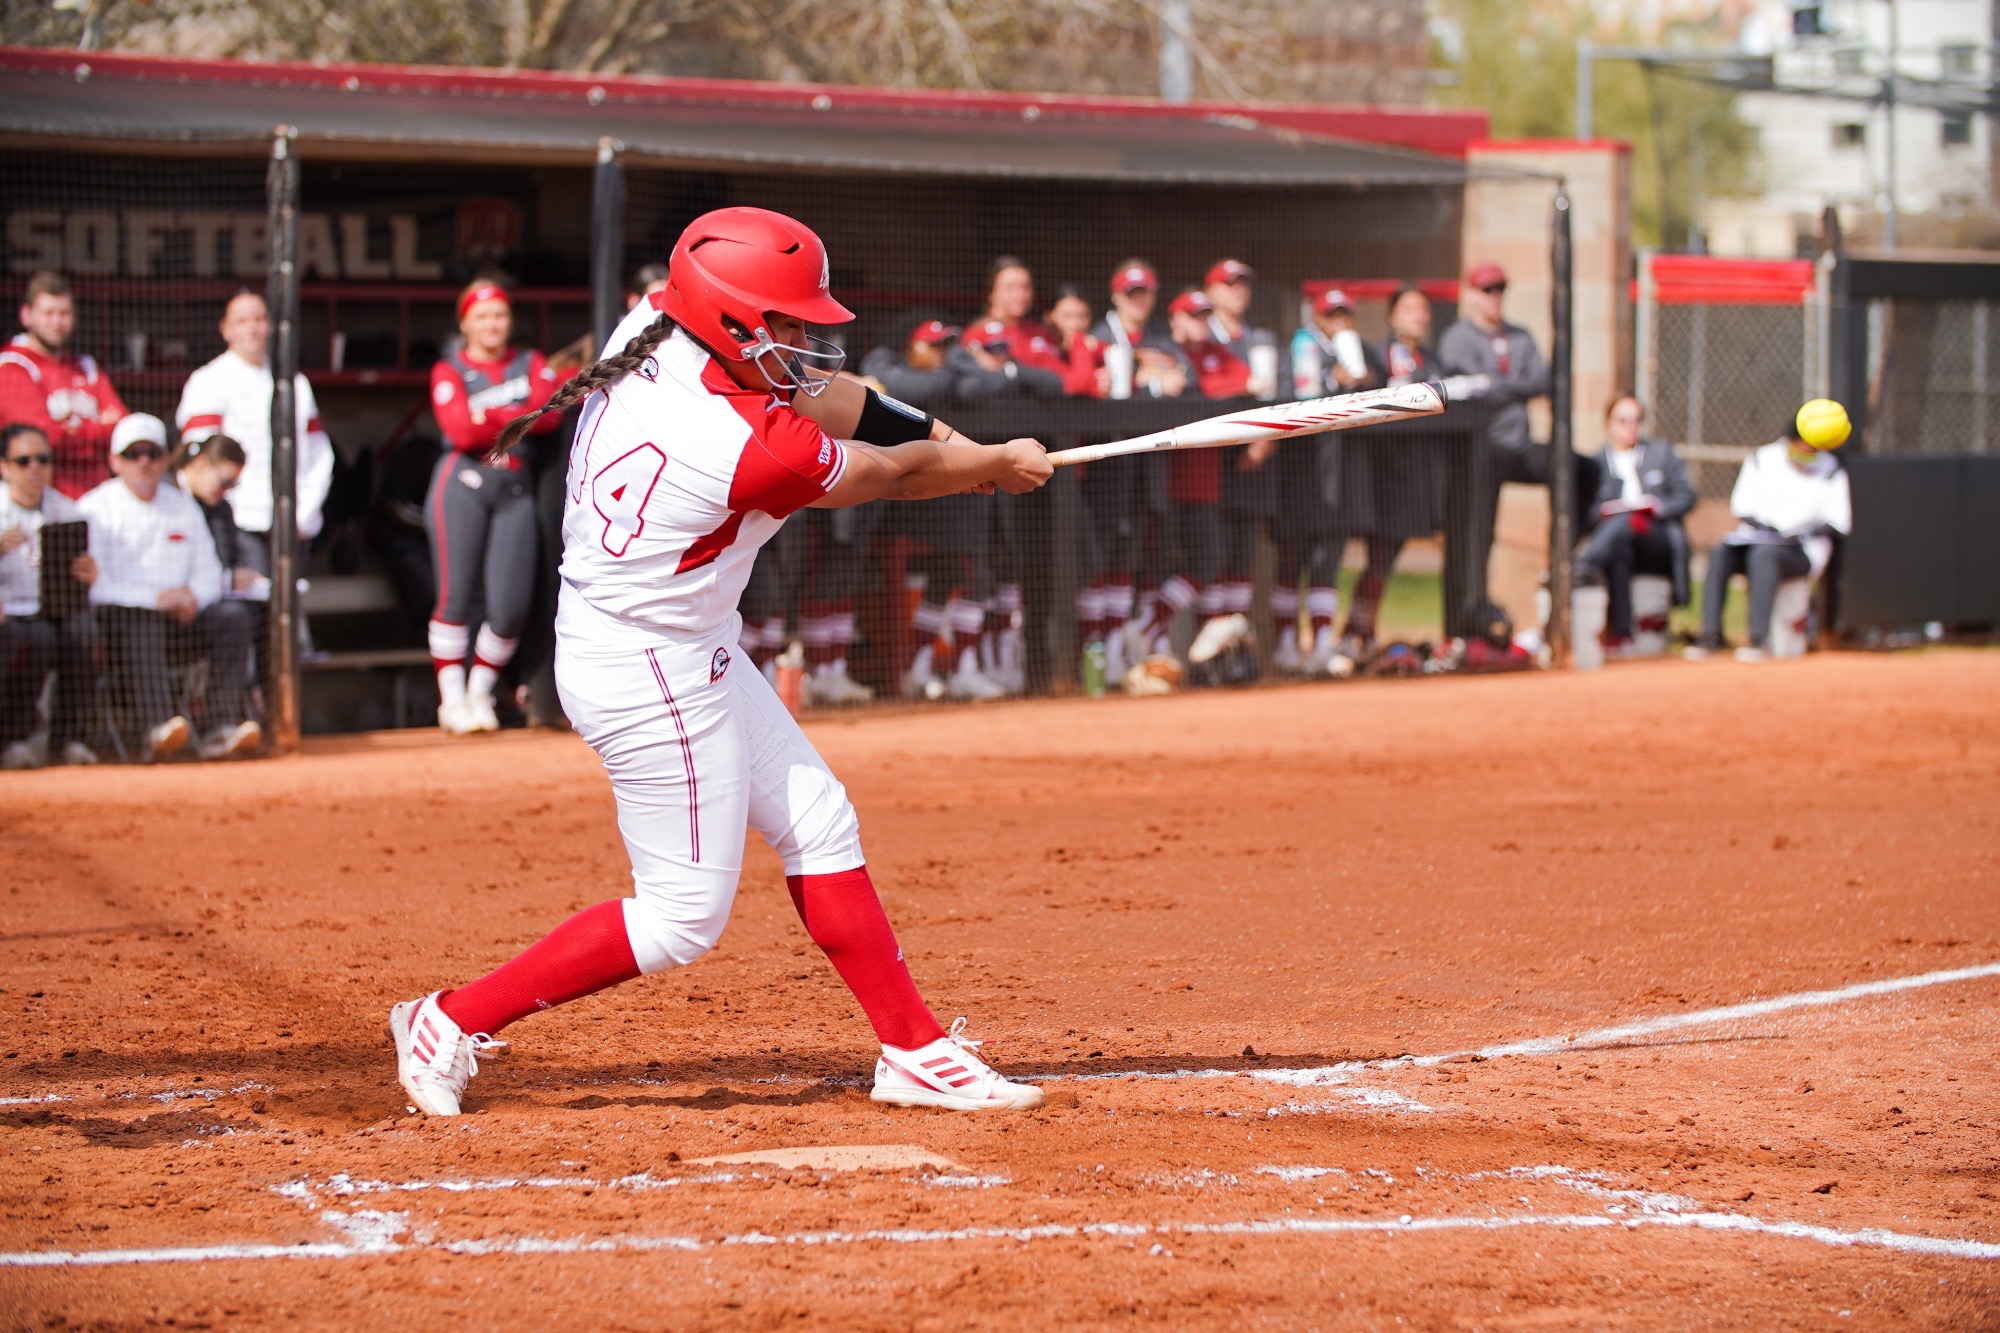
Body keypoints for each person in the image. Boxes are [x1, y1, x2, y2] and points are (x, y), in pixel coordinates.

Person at [389, 206, 1052, 1117]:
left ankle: (914, 1050)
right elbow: (884, 470)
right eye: (786, 321)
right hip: (647, 662)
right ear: (734, 318)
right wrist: (991, 460)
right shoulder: (747, 446)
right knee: (680, 918)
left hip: (653, 633)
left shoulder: (656, 322)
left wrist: (965, 448)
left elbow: (837, 395)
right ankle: (447, 1019)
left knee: (819, 820)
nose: (803, 338)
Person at [426, 279, 569, 735]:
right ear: (465, 321)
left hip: (514, 491)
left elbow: (550, 414)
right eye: (482, 316)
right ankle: (451, 700)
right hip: (462, 485)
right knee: (456, 596)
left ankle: (479, 692)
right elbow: (461, 434)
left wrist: (488, 417)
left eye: (500, 315)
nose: (492, 324)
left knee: (509, 606)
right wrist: (522, 413)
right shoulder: (449, 369)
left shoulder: (529, 361)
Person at [78, 414, 260, 762]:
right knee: (140, 619)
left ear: (165, 459)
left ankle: (218, 727)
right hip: (122, 634)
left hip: (182, 624)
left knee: (232, 616)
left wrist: (193, 595)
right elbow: (95, 587)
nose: (143, 462)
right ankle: (157, 727)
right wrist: (155, 600)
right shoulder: (94, 508)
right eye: (133, 454)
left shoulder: (181, 505)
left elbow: (209, 570)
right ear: (114, 461)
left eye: (152, 453)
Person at [1126, 290, 1253, 672]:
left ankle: (1149, 627)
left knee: (1207, 562)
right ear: (1175, 319)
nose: (1200, 323)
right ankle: (1148, 636)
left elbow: (1245, 380)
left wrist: (1211, 388)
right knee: (1161, 563)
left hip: (1205, 479)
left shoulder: (1215, 351)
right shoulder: (1161, 348)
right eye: (1192, 316)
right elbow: (1185, 384)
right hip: (1165, 478)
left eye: (1203, 316)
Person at [173, 291, 336, 577]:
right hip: (237, 525)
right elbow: (196, 465)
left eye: (259, 319)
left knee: (288, 608)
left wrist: (305, 508)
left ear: (271, 325)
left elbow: (320, 453)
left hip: (292, 524)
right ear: (226, 329)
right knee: (251, 611)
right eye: (243, 320)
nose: (252, 327)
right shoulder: (209, 380)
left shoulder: (295, 383)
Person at [1329, 284, 1448, 669]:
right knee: (1376, 555)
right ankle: (1351, 635)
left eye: (1423, 308)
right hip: (1377, 471)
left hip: (1414, 474)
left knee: (1388, 556)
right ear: (1392, 315)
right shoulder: (1377, 355)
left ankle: (1360, 633)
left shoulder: (1431, 359)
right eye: (1410, 308)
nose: (1419, 315)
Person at [1079, 261, 1187, 678]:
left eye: (1145, 292)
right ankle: (1099, 654)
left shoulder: (1160, 335)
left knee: (1130, 559)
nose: (1139, 300)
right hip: (1107, 465)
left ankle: (1122, 648)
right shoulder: (1100, 336)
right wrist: (1150, 376)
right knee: (1102, 558)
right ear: (1116, 295)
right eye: (1131, 292)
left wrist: (1153, 375)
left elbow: (1183, 376)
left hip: (1149, 466)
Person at [1437, 262, 1552, 632]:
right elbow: (1472, 391)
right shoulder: (1457, 337)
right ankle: (1471, 614)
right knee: (1477, 534)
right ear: (1472, 294)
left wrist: (1497, 385)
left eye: (1500, 289)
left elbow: (1542, 381)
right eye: (1487, 290)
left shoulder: (1520, 335)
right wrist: (1515, 387)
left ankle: (1568, 563)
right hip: (1479, 451)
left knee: (1578, 468)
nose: (1495, 297)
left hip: (1518, 447)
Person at [1687, 410, 1851, 662]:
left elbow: (1839, 522)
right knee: (1721, 552)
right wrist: (1768, 530)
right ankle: (1710, 636)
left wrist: (1795, 534)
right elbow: (1741, 507)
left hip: (1801, 550)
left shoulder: (1831, 468)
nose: (1804, 454)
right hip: (1756, 540)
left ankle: (1757, 640)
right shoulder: (1763, 458)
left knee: (1765, 555)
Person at [1273, 287, 1371, 675]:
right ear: (1317, 316)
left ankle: (1322, 643)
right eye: (1331, 314)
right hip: (1303, 471)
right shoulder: (1302, 345)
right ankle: (1285, 644)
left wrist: (1355, 378)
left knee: (1329, 558)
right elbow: (1297, 396)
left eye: (1344, 313)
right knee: (1293, 557)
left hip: (1340, 474)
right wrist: (1335, 382)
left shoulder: (1354, 349)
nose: (1338, 321)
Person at [0, 423, 100, 769]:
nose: (35, 469)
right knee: (35, 638)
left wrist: (89, 576)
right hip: (8, 613)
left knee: (82, 631)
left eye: (42, 459)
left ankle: (71, 739)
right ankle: (12, 740)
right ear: (4, 466)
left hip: (52, 608)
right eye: (23, 460)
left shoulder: (66, 509)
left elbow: (90, 576)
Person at [1575, 394, 1696, 653]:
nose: (1631, 427)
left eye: (1636, 420)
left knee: (1629, 520)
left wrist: (1658, 508)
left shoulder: (1661, 453)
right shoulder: (1596, 464)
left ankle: (1582, 566)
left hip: (1658, 542)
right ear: (1608, 423)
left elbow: (1687, 496)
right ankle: (1622, 633)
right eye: (1623, 420)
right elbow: (1586, 514)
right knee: (1619, 547)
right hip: (1619, 543)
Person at [0, 272, 128, 500]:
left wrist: (70, 433)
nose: (57, 323)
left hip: (98, 498)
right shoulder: (13, 365)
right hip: (45, 502)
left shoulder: (85, 366)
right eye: (48, 313)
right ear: (26, 315)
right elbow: (40, 440)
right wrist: (98, 429)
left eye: (64, 313)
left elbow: (123, 429)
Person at [168, 434, 268, 602]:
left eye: (233, 485)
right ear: (201, 463)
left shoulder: (221, 509)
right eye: (224, 482)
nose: (226, 490)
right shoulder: (164, 496)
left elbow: (229, 557)